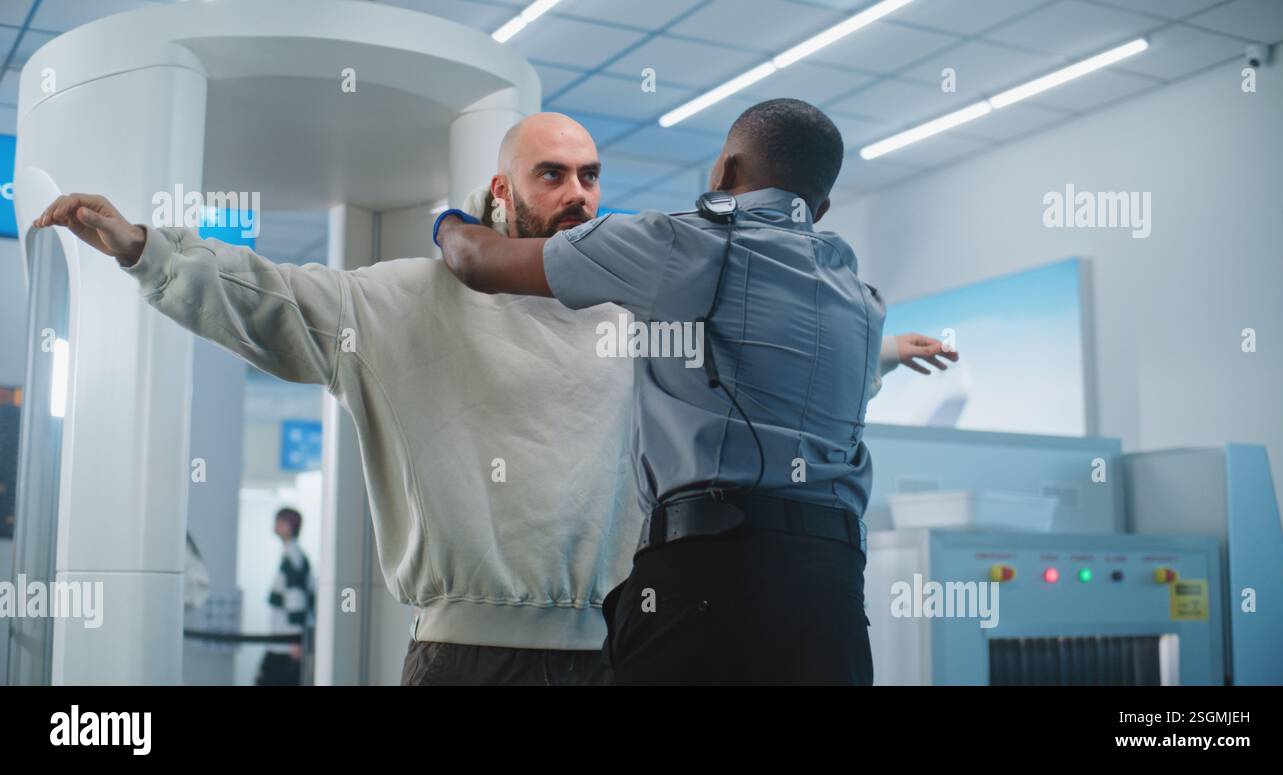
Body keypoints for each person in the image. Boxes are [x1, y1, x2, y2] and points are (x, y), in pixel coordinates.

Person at [34, 112, 948, 686]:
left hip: (621, 647)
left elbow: (745, 376)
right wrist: (147, 248)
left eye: (591, 175)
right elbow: (275, 299)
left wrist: (882, 352)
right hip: (468, 658)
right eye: (553, 174)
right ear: (501, 193)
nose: (579, 193)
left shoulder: (640, 311)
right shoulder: (408, 298)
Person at [436, 98, 904, 684]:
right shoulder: (863, 300)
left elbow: (479, 261)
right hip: (833, 597)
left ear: (726, 174)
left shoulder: (681, 245)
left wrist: (448, 220)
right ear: (821, 205)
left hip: (708, 583)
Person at [256, 507, 315, 686]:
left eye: (279, 521)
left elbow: (296, 598)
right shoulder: (291, 555)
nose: (275, 525)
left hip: (286, 645)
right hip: (282, 643)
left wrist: (295, 640)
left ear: (289, 526)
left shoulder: (293, 556)